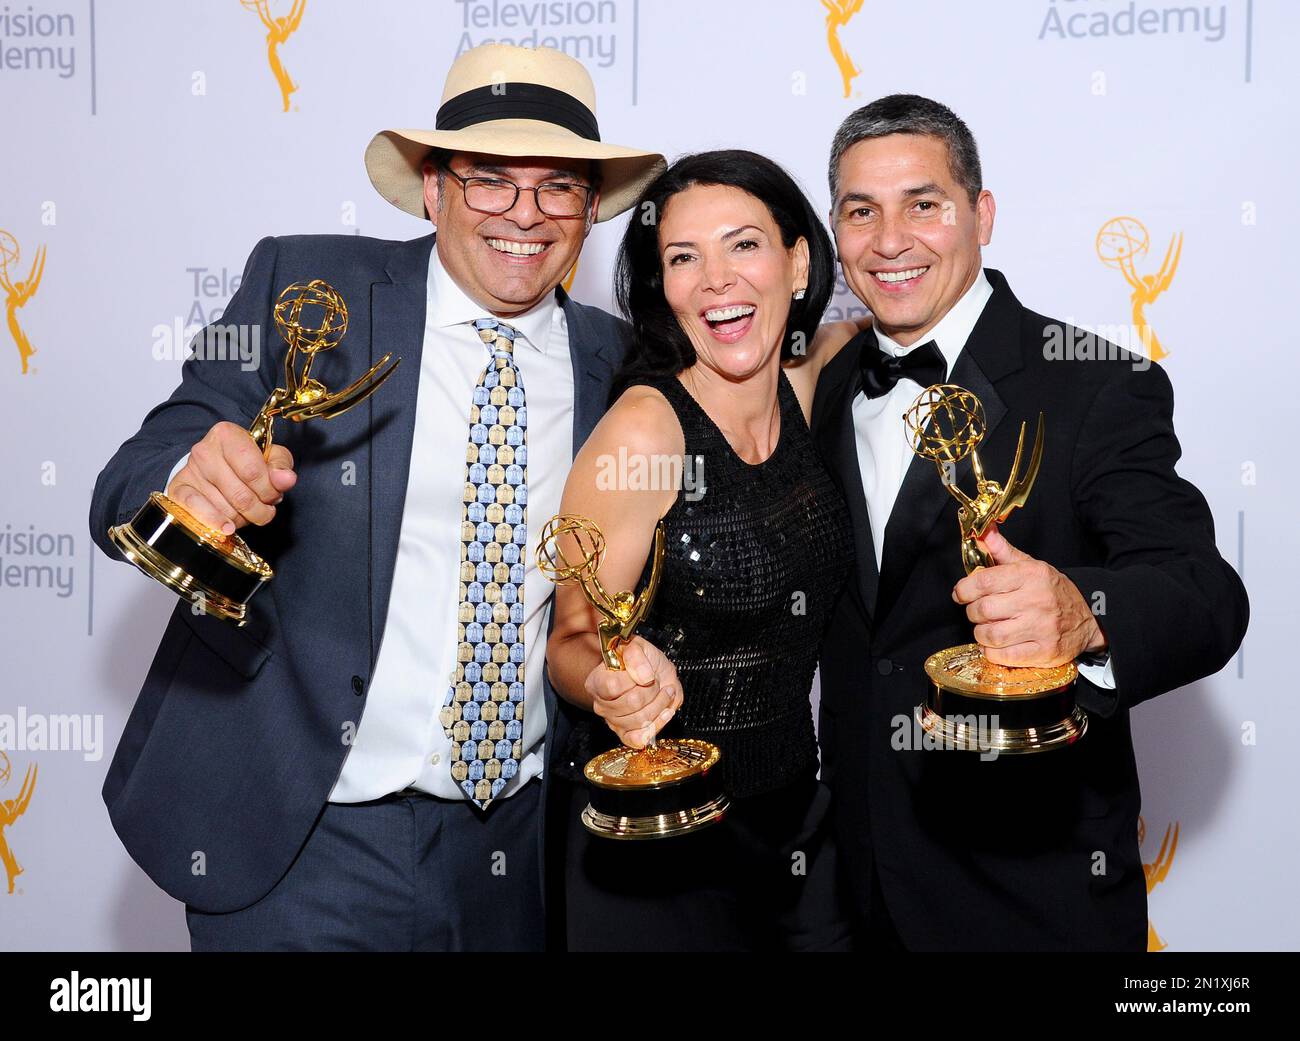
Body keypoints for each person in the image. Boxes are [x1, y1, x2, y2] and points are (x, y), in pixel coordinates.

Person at [87, 43, 664, 951]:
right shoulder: (308, 288)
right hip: (303, 839)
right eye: (489, 181)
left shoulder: (617, 362)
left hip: (513, 859)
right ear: (434, 187)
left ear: (591, 209)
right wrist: (188, 481)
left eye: (558, 187)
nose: (526, 214)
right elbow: (129, 477)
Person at [809, 94, 1249, 951]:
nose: (889, 240)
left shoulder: (1093, 387)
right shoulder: (826, 389)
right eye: (861, 212)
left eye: (923, 205)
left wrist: (1086, 613)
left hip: (1030, 905)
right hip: (853, 900)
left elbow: (1205, 597)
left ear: (983, 214)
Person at [545, 150, 854, 951]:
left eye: (743, 245)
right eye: (684, 258)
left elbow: (907, 321)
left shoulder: (812, 377)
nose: (717, 279)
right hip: (655, 843)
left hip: (795, 827)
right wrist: (611, 681)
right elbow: (569, 642)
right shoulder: (646, 429)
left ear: (797, 262)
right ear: (662, 289)